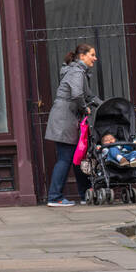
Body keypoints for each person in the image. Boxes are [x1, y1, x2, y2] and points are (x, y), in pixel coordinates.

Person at [44, 44, 101, 207]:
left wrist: (106, 105)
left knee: (78, 158)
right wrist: (85, 108)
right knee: (65, 159)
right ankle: (54, 197)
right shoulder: (76, 71)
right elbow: (77, 95)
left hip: (67, 120)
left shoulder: (78, 71)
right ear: (82, 56)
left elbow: (89, 95)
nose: (95, 58)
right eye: (92, 54)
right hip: (64, 121)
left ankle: (85, 195)